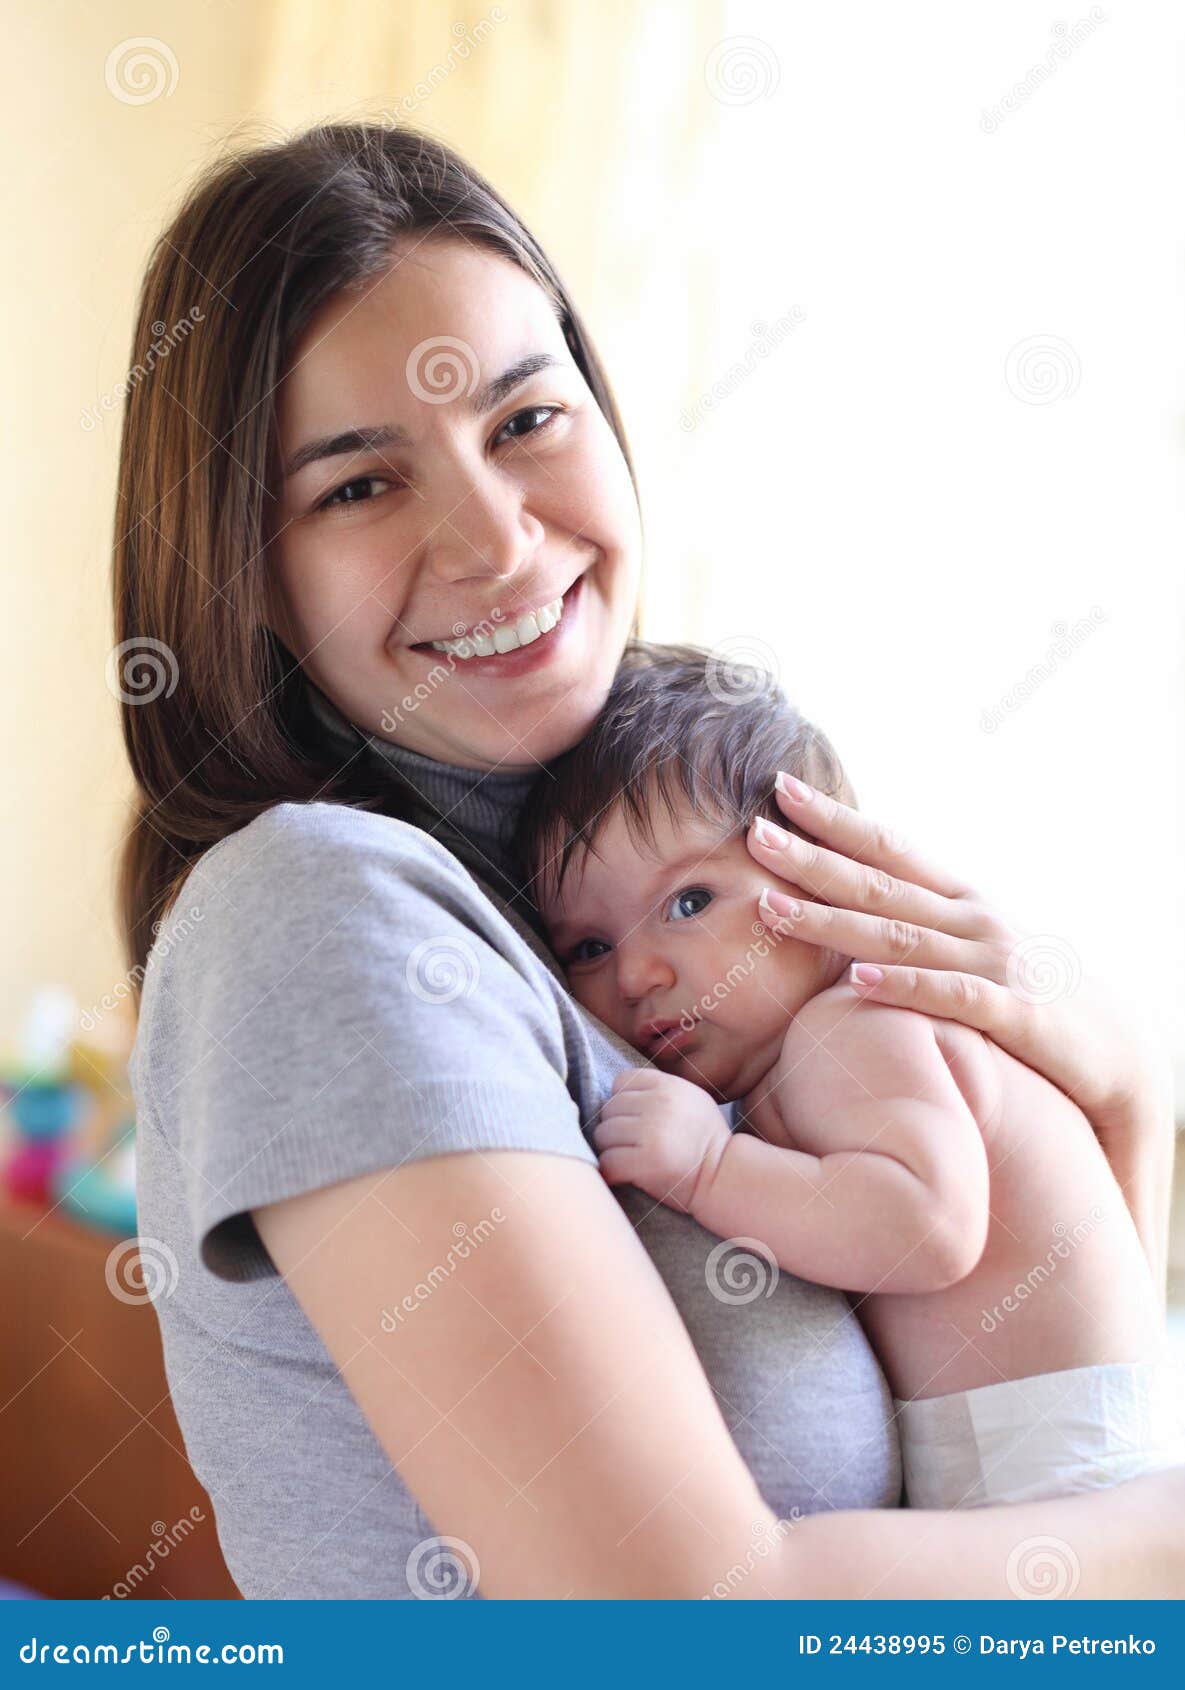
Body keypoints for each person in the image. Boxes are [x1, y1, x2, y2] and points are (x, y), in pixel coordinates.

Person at [115, 122, 1182, 1599]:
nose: (494, 536)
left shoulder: (651, 881)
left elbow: (1033, 1423)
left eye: (525, 420)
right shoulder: (323, 913)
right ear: (248, 573)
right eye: (359, 484)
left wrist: (1115, 1099)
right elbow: (677, 1616)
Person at [517, 644, 1185, 1513]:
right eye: (589, 948)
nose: (638, 973)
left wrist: (707, 1171)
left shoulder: (853, 1027)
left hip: (1050, 1474)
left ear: (829, 882)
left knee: (781, 1579)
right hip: (1037, 1464)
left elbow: (929, 1223)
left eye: (689, 903)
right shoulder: (804, 1054)